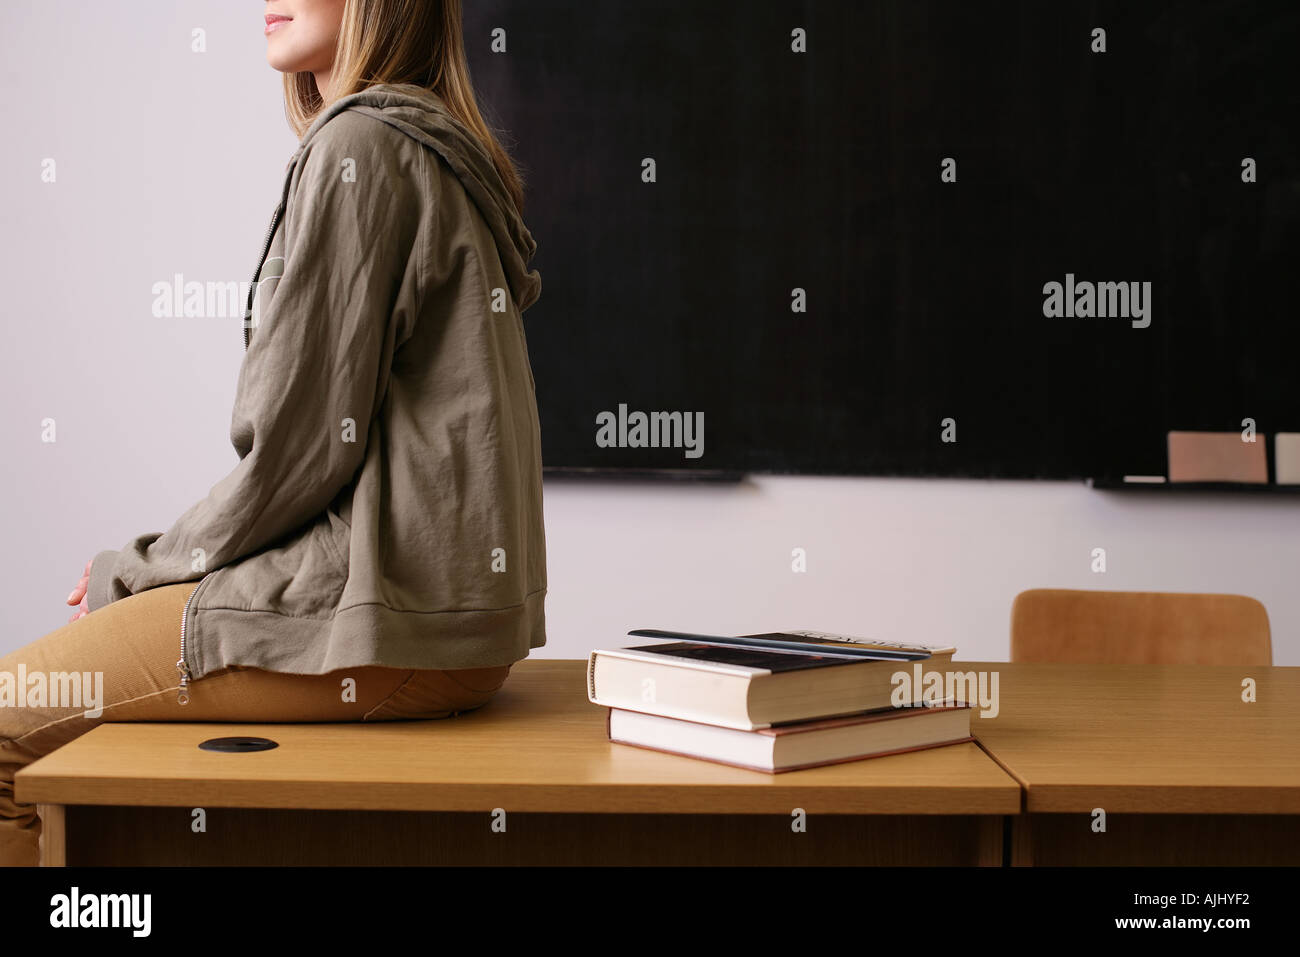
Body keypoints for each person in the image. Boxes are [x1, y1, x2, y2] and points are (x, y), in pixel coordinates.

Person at [0, 0, 548, 866]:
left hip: (378, 629)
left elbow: (296, 455)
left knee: (3, 719)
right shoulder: (438, 145)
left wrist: (140, 565)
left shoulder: (357, 151)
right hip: (454, 637)